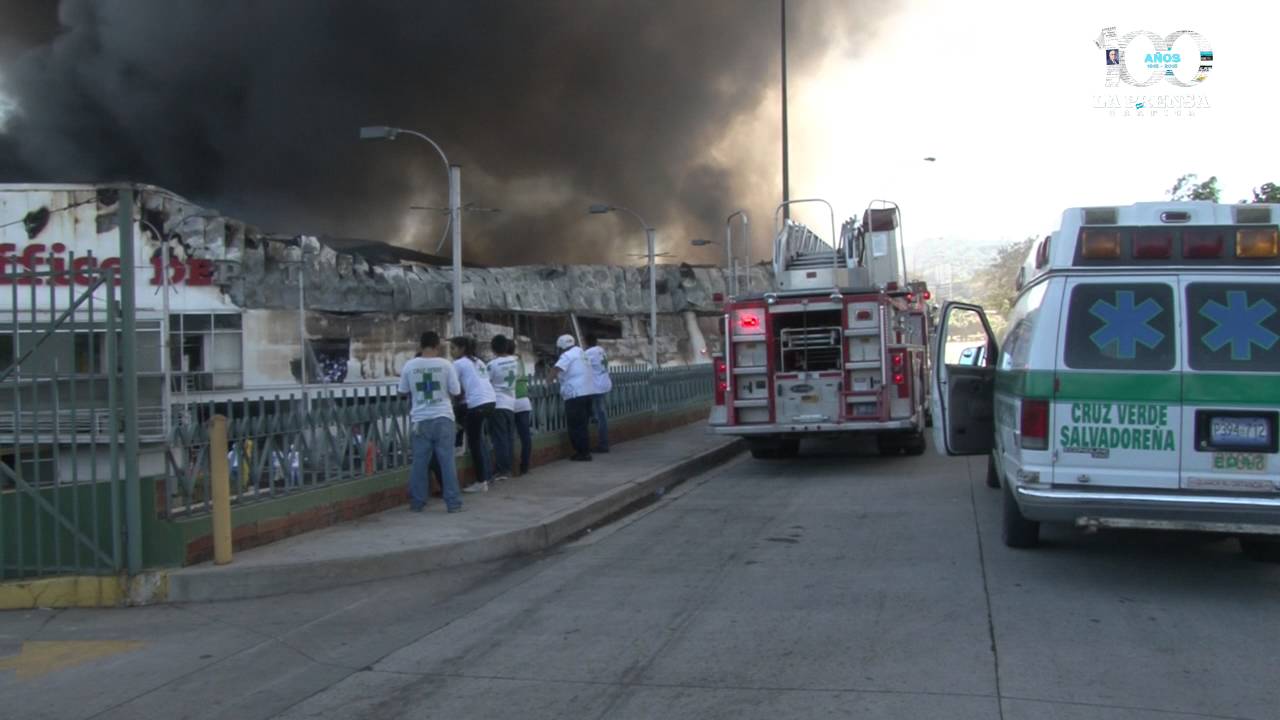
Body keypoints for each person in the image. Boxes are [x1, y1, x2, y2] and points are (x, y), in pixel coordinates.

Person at [397, 331, 463, 513]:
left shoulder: (410, 366)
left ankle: (417, 503)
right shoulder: (445, 364)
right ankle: (453, 503)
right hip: (443, 418)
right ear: (437, 346)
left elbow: (402, 390)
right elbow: (456, 391)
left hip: (420, 419)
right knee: (447, 461)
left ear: (420, 345)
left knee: (419, 462)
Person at [450, 336, 497, 492]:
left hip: (477, 404)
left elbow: (453, 388)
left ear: (462, 349)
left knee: (475, 442)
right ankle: (488, 475)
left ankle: (481, 481)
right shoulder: (478, 361)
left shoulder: (458, 364)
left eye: (454, 348)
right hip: (490, 401)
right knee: (479, 439)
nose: (451, 351)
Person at [548, 334, 597, 461]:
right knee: (583, 425)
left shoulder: (567, 355)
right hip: (588, 392)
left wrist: (546, 383)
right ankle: (585, 450)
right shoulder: (581, 352)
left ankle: (582, 453)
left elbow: (556, 369)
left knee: (575, 426)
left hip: (575, 394)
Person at [486, 335, 518, 482]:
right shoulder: (515, 361)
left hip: (497, 404)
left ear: (493, 348)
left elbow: (486, 382)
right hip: (511, 403)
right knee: (509, 438)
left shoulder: (492, 365)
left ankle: (503, 470)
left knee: (499, 439)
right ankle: (509, 468)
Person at [583, 333, 612, 453]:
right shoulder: (601, 350)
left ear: (585, 341)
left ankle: (603, 444)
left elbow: (582, 365)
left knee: (600, 416)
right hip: (604, 383)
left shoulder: (589, 353)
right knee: (599, 414)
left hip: (597, 386)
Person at [511, 338, 534, 475]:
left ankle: (510, 467)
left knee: (508, 437)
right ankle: (524, 466)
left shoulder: (503, 362)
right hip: (524, 401)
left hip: (510, 402)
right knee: (525, 436)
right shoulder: (519, 361)